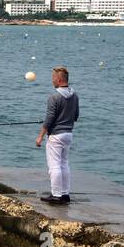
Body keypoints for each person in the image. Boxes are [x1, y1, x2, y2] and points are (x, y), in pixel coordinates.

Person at [34, 66, 80, 204]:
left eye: (53, 78)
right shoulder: (75, 95)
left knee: (54, 166)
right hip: (68, 134)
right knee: (64, 164)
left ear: (59, 79)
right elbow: (76, 116)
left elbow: (49, 118)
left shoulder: (54, 97)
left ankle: (56, 194)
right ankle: (65, 194)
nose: (52, 80)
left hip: (56, 135)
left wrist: (40, 136)